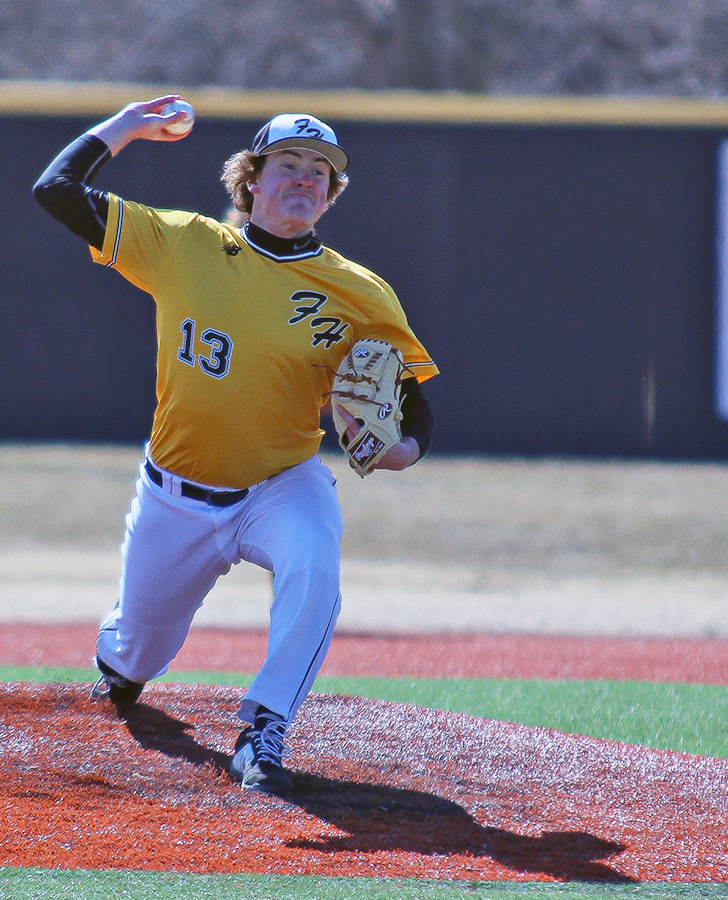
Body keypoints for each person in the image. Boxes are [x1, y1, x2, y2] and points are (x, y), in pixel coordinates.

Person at [32, 96, 438, 794]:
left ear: (330, 194)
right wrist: (127, 126)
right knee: (134, 660)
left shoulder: (359, 292)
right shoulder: (184, 243)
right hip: (176, 494)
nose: (305, 179)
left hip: (280, 481)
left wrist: (405, 450)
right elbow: (56, 192)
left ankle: (266, 725)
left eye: (320, 171)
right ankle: (122, 658)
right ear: (251, 178)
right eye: (288, 164)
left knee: (314, 563)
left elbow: (414, 407)